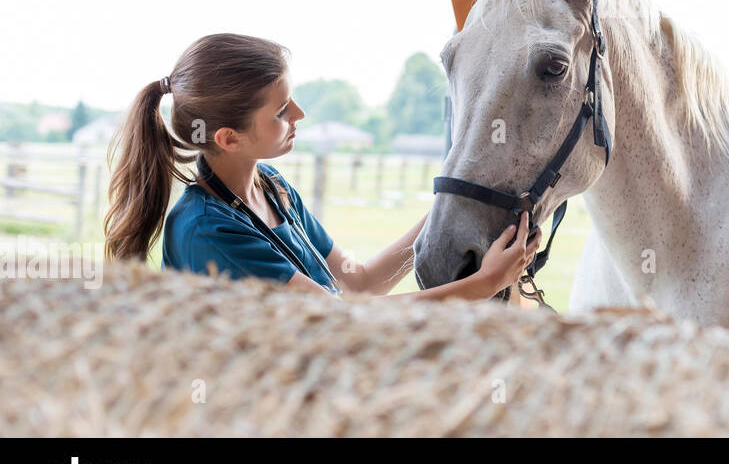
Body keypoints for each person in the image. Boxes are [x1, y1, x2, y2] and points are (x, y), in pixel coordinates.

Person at [103, 33, 539, 301]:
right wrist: (481, 285)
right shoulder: (206, 229)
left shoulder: (270, 187)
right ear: (228, 138)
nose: (299, 114)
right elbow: (341, 322)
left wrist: (451, 205)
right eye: (280, 111)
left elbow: (359, 284)